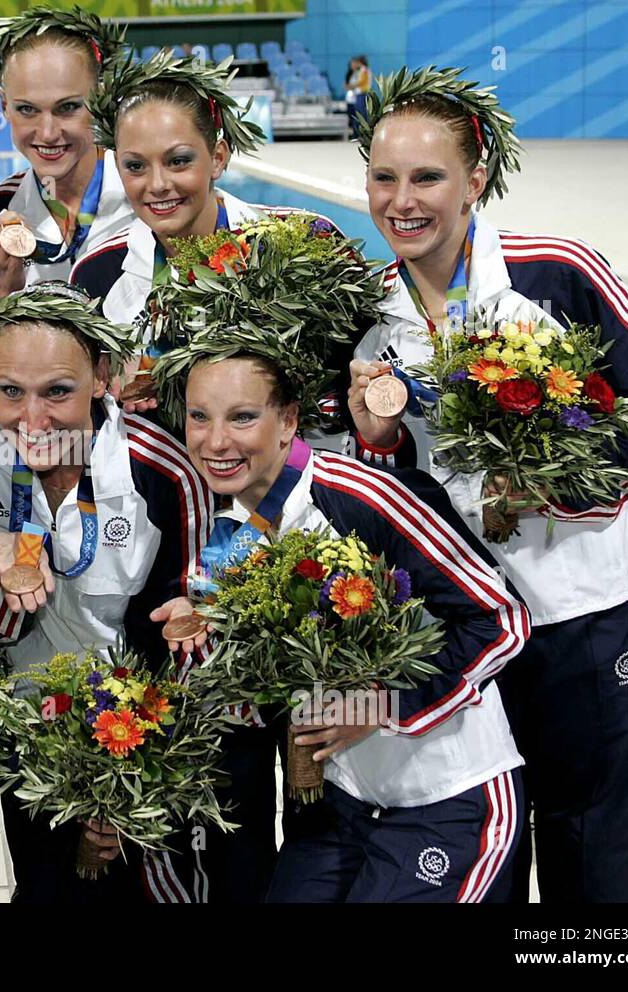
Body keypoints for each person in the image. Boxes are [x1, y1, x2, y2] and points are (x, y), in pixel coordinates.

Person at [346, 66, 628, 902]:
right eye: (384, 177)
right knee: (485, 843)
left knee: (592, 843)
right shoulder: (368, 314)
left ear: (476, 179)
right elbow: (386, 497)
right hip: (465, 631)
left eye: (427, 177)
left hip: (584, 616)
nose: (403, 200)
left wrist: (549, 483)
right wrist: (379, 444)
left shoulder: (555, 274)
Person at [149, 322, 531, 902]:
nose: (215, 441)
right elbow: (254, 690)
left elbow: (500, 619)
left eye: (243, 417)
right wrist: (206, 626)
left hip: (449, 793)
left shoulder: (363, 497)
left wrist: (381, 705)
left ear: (289, 422)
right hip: (342, 802)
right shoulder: (228, 537)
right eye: (199, 417)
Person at [0, 283, 213, 902]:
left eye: (58, 391)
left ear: (102, 376)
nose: (33, 420)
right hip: (25, 728)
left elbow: (191, 628)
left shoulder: (163, 473)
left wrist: (130, 756)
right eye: (10, 391)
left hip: (142, 731)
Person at [70, 52, 341, 328]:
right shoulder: (97, 273)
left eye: (178, 161)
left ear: (217, 158)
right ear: (117, 165)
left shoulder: (308, 240)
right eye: (136, 165)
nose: (158, 185)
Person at [0, 7, 134, 300]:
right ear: (4, 106)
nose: (48, 133)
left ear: (101, 98)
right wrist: (6, 292)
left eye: (67, 107)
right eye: (27, 109)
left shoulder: (151, 198)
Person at [345, 55, 371, 141]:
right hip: (358, 94)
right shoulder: (360, 71)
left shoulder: (364, 70)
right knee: (358, 115)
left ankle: (363, 134)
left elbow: (361, 82)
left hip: (362, 94)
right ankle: (357, 134)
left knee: (362, 115)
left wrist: (352, 86)